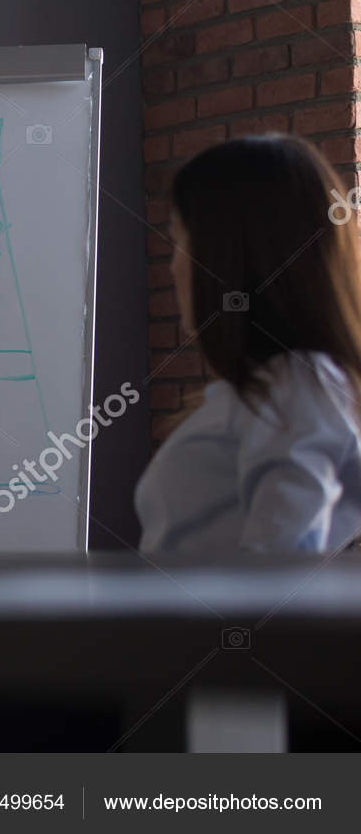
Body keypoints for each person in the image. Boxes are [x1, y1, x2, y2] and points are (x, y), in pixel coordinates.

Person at [135, 134, 361, 553]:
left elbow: (280, 580)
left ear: (230, 257)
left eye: (181, 240)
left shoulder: (296, 385)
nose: (172, 266)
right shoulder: (277, 389)